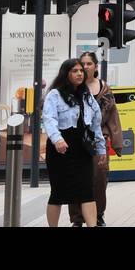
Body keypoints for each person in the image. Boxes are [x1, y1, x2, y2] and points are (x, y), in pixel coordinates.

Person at [41, 58, 106, 227]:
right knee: (58, 193)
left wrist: (101, 149)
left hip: (82, 148)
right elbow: (49, 119)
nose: (79, 73)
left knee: (86, 191)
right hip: (60, 149)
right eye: (74, 71)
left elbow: (96, 125)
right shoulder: (54, 95)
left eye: (81, 71)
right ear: (66, 74)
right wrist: (57, 139)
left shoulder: (87, 96)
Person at [69, 51, 123, 226]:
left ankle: (98, 215)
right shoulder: (73, 87)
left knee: (100, 179)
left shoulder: (104, 88)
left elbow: (114, 117)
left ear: (95, 66)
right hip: (76, 141)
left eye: (88, 64)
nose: (85, 67)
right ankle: (77, 218)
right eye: (82, 64)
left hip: (99, 140)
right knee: (76, 178)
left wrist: (117, 143)